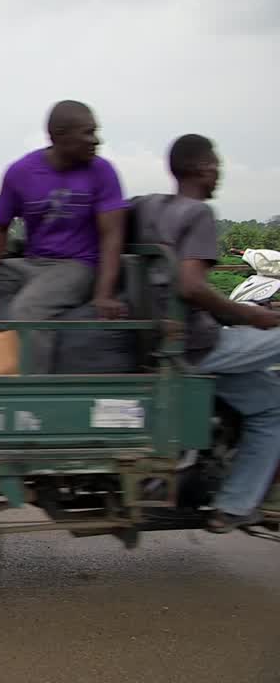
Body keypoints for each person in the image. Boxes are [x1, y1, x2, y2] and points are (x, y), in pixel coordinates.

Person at [131, 134, 280, 532]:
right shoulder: (198, 213)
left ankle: (232, 499)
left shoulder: (148, 207)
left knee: (271, 405)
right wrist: (254, 317)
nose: (220, 172)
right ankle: (233, 506)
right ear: (201, 168)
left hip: (158, 339)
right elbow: (191, 286)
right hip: (199, 343)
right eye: (216, 164)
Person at [0, 100, 128, 372]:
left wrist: (104, 294)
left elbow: (112, 236)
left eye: (94, 131)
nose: (95, 140)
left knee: (28, 309)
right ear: (59, 135)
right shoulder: (22, 172)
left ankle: (32, 394)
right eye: (87, 133)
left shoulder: (102, 171)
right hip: (32, 264)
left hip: (78, 267)